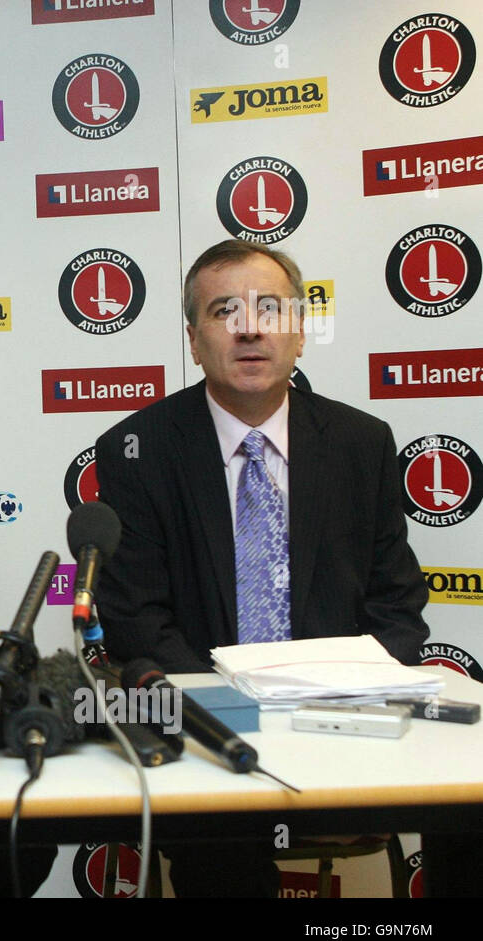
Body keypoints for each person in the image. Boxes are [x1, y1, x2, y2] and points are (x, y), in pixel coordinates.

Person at [93, 239, 433, 896]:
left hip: (339, 724)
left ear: (299, 333)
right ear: (194, 340)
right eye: (225, 311)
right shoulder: (137, 449)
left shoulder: (362, 443)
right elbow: (136, 617)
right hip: (208, 729)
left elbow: (396, 604)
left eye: (269, 309)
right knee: (221, 852)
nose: (249, 328)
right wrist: (233, 709)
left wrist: (337, 701)